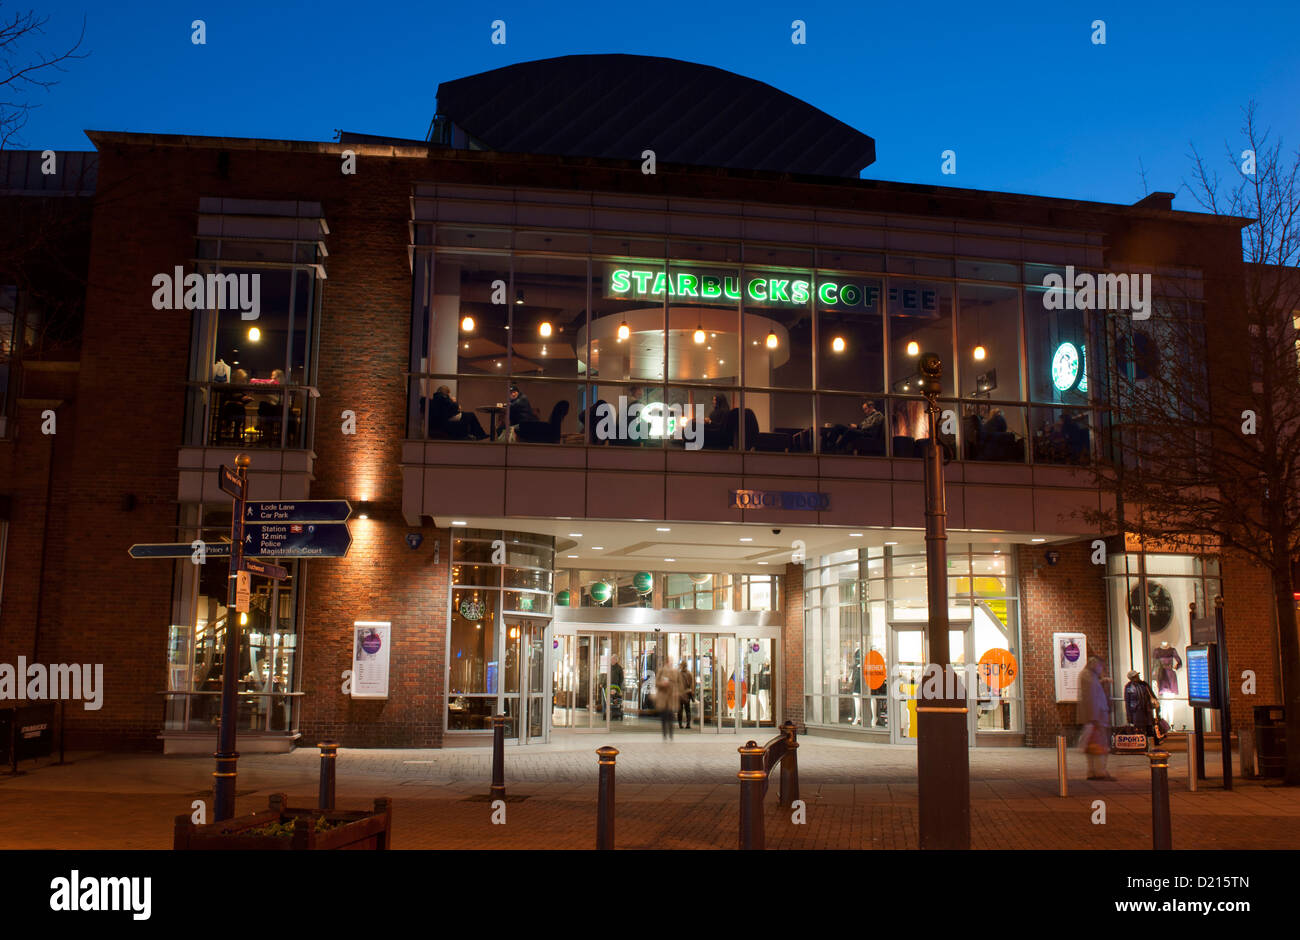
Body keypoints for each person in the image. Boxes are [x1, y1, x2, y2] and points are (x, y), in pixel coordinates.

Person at [1077, 655, 1115, 780]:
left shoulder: (1089, 676)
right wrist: (1094, 719)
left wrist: (1102, 681)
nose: (1101, 669)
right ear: (1095, 665)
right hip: (1096, 718)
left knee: (1092, 746)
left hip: (1095, 717)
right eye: (1100, 666)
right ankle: (1099, 772)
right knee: (1098, 746)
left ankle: (1093, 771)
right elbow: (1091, 698)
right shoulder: (1088, 677)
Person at [1123, 669, 1158, 747]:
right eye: (1135, 676)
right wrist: (1128, 715)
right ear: (1131, 678)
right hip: (1136, 711)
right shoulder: (1128, 687)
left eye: (1137, 675)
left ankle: (1149, 746)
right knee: (1138, 728)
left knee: (1149, 728)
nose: (1138, 677)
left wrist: (1154, 704)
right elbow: (1127, 702)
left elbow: (1152, 695)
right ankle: (1140, 746)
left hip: (1146, 710)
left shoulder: (1144, 684)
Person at [655, 659, 681, 740]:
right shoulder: (661, 671)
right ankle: (665, 733)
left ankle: (671, 733)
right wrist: (662, 684)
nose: (671, 663)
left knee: (671, 716)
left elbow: (679, 684)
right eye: (670, 661)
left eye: (672, 662)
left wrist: (677, 691)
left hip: (671, 697)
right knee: (664, 716)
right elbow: (656, 683)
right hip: (663, 697)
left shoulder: (675, 672)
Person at [677, 660, 694, 729]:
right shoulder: (689, 674)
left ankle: (680, 724)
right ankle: (688, 724)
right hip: (687, 693)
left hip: (680, 694)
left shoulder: (679, 674)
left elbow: (676, 684)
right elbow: (691, 684)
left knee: (680, 710)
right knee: (687, 709)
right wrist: (691, 692)